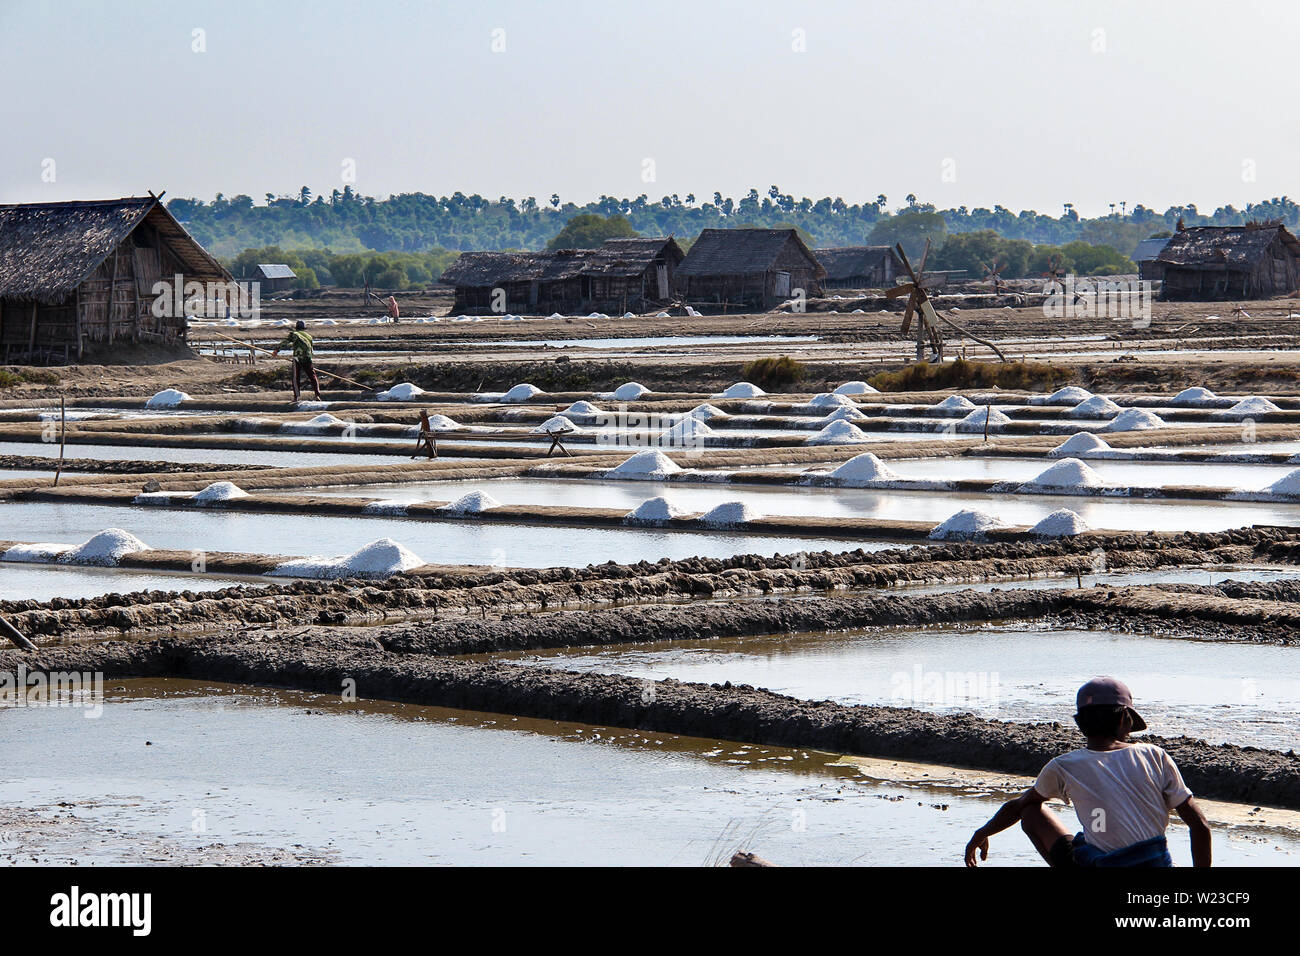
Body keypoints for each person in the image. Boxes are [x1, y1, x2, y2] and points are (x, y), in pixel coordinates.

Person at [964, 676, 1211, 868]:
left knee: (1031, 812)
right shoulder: (1154, 755)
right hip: (1154, 862)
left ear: (1080, 724)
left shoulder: (1064, 765)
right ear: (1125, 719)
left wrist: (982, 832)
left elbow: (1019, 806)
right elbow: (1199, 825)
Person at [271, 320, 322, 403]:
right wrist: (309, 359)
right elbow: (311, 349)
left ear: (296, 327)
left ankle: (296, 397)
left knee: (296, 377)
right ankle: (317, 395)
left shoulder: (294, 334)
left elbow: (285, 342)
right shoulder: (309, 336)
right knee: (312, 376)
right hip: (308, 357)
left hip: (297, 358)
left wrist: (276, 350)